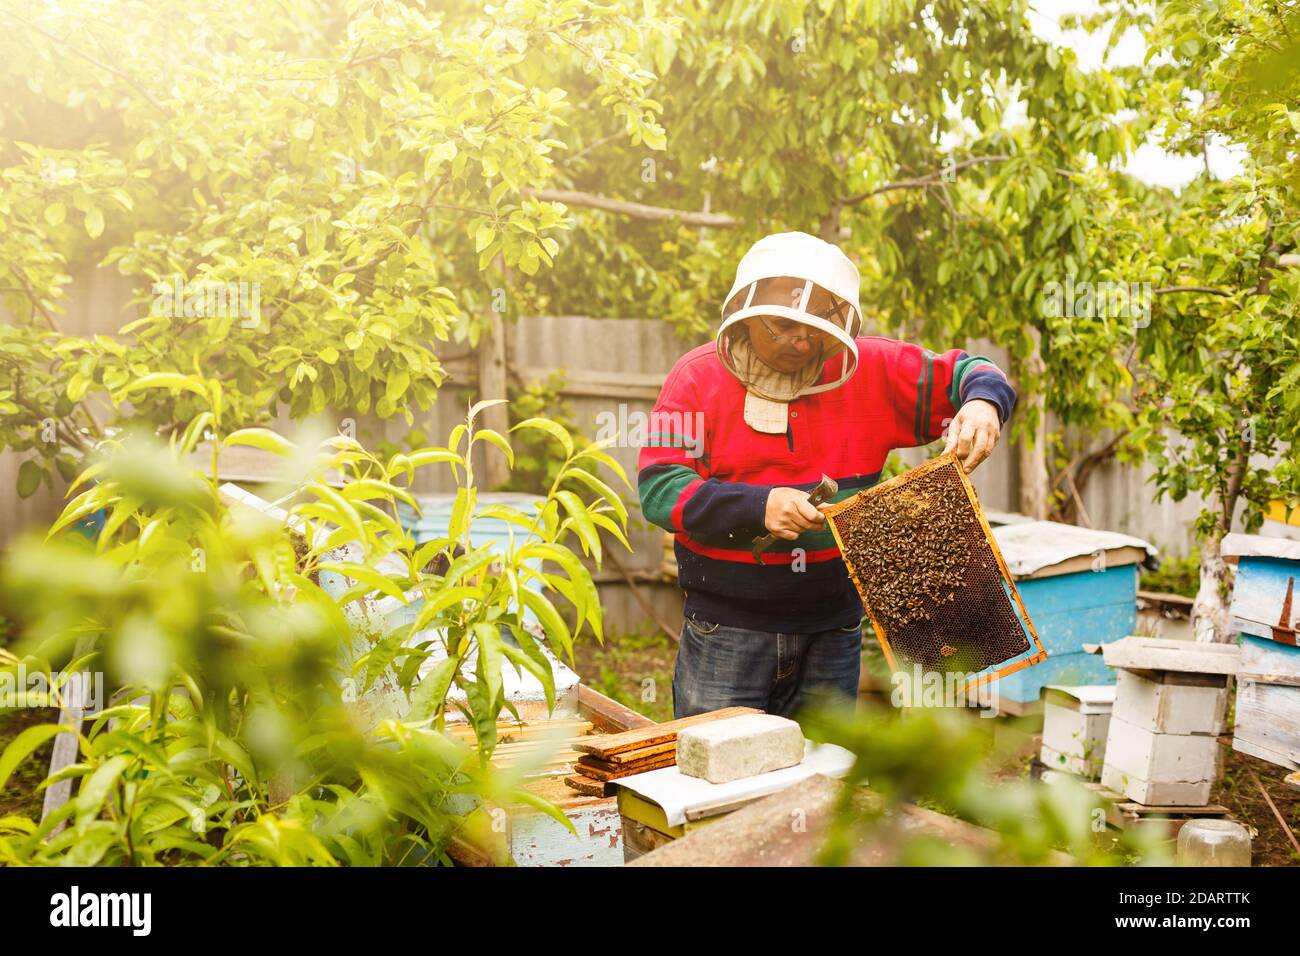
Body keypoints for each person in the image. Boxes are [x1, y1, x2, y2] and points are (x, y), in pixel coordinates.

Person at [637, 231, 1017, 719]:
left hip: (833, 629)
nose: (800, 340)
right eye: (782, 325)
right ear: (747, 314)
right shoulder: (695, 378)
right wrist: (759, 507)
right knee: (718, 777)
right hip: (727, 631)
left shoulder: (872, 368)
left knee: (820, 782)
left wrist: (984, 403)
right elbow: (659, 488)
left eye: (815, 327)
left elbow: (973, 370)